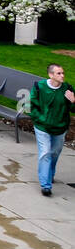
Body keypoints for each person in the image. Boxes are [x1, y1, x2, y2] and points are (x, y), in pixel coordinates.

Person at [31, 63, 75, 196]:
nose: (62, 76)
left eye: (63, 73)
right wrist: (41, 119)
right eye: (59, 73)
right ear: (50, 75)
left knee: (54, 153)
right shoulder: (39, 87)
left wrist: (73, 101)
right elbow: (32, 106)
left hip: (60, 128)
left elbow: (73, 110)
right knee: (45, 153)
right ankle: (46, 186)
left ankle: (49, 174)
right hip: (42, 127)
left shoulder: (67, 89)